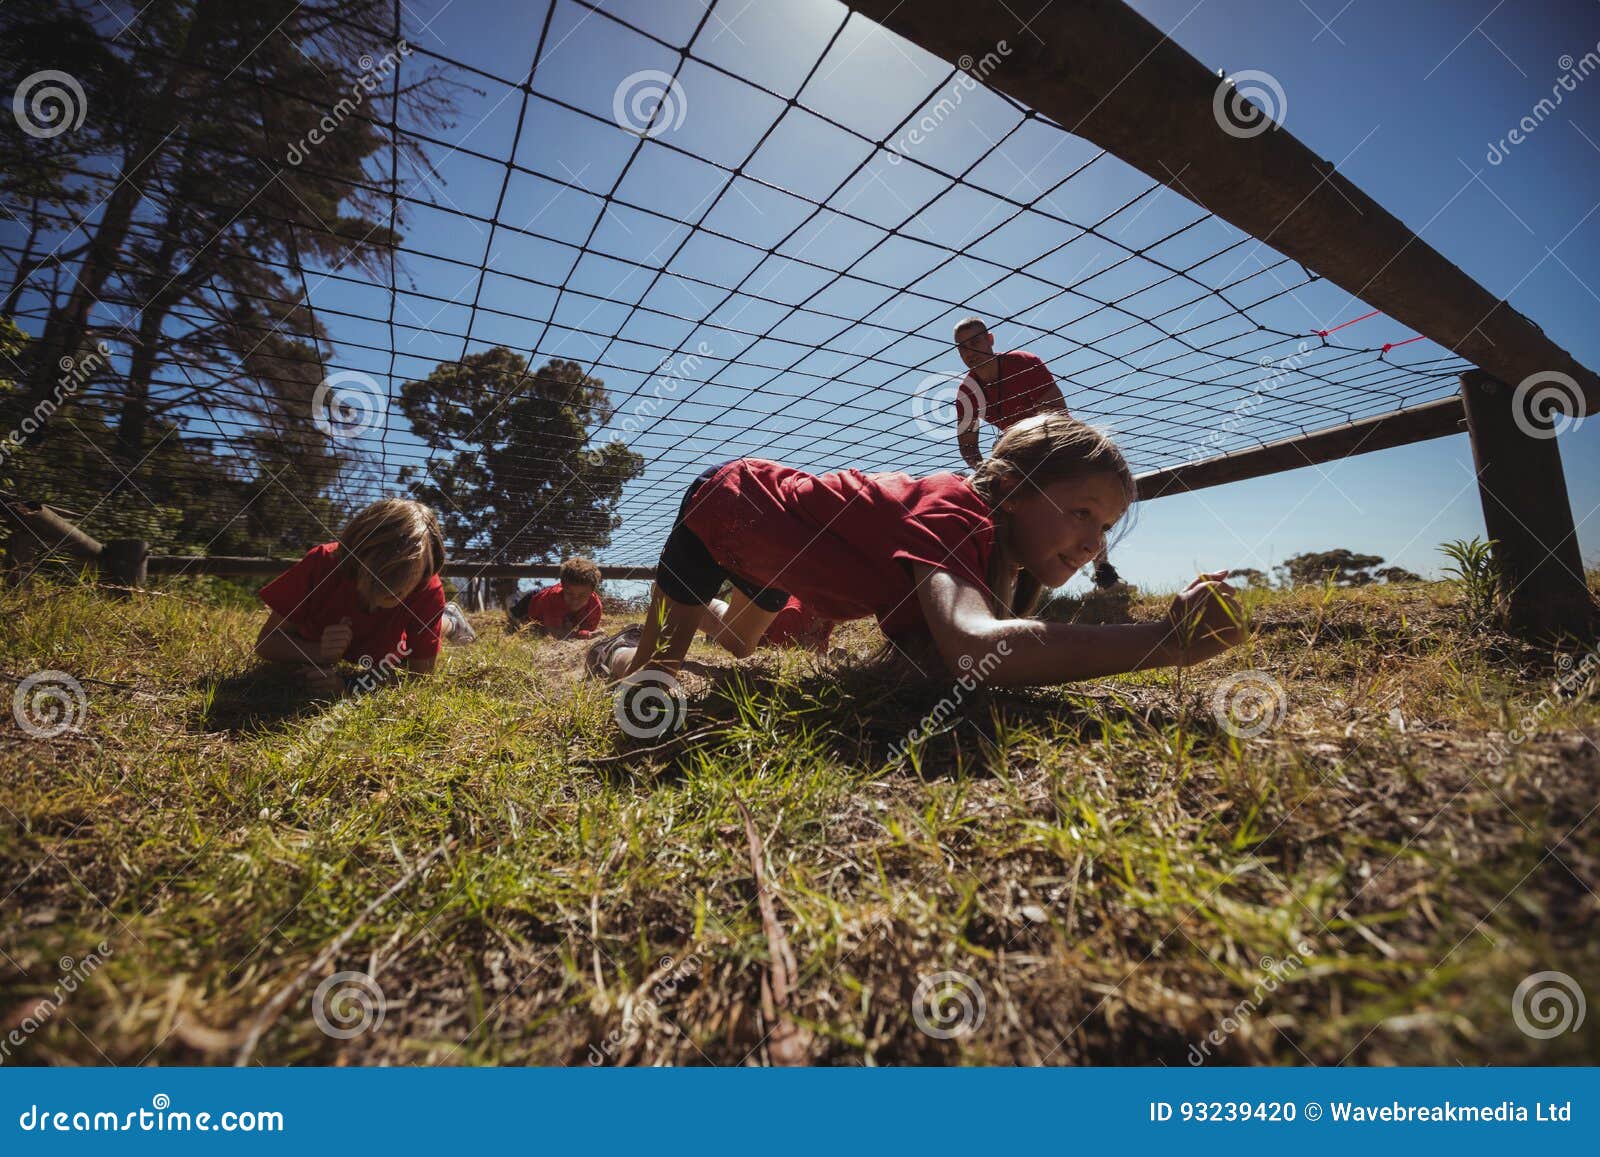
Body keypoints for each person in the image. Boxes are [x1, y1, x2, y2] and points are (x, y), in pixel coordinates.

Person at [587, 413, 1244, 688]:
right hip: (731, 508)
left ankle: (682, 609)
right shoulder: (958, 509)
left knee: (737, 648)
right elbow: (974, 646)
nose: (1093, 543)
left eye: (1106, 527)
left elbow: (952, 661)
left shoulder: (987, 565)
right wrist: (1167, 640)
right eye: (1080, 513)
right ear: (1011, 492)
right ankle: (611, 646)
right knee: (654, 677)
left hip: (774, 555)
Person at [952, 316, 1121, 589]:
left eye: (976, 341)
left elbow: (1057, 412)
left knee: (1083, 500)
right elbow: (968, 445)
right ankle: (1006, 580)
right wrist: (988, 470)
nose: (970, 351)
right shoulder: (967, 392)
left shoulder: (1024, 363)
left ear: (990, 339)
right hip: (1015, 451)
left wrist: (1028, 452)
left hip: (1057, 439)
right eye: (962, 348)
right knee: (997, 498)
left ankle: (1103, 568)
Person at [255, 498, 446, 696]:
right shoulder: (322, 563)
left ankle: (449, 621)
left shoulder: (428, 588)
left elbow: (420, 677)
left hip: (387, 650)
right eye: (379, 575)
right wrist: (319, 652)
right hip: (326, 639)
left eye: (410, 575)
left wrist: (348, 686)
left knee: (440, 623)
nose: (395, 589)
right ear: (356, 556)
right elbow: (267, 642)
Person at [507, 556, 604, 639]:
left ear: (592, 591)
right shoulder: (553, 600)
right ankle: (513, 602)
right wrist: (580, 635)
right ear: (563, 586)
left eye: (582, 595)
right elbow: (555, 633)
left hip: (551, 607)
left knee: (549, 629)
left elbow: (587, 631)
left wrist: (587, 634)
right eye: (570, 594)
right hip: (532, 601)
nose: (575, 599)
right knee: (514, 617)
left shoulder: (594, 607)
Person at [703, 594, 835, 654]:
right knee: (721, 624)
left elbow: (819, 649)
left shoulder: (829, 616)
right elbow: (776, 653)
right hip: (746, 634)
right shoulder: (794, 614)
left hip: (752, 629)